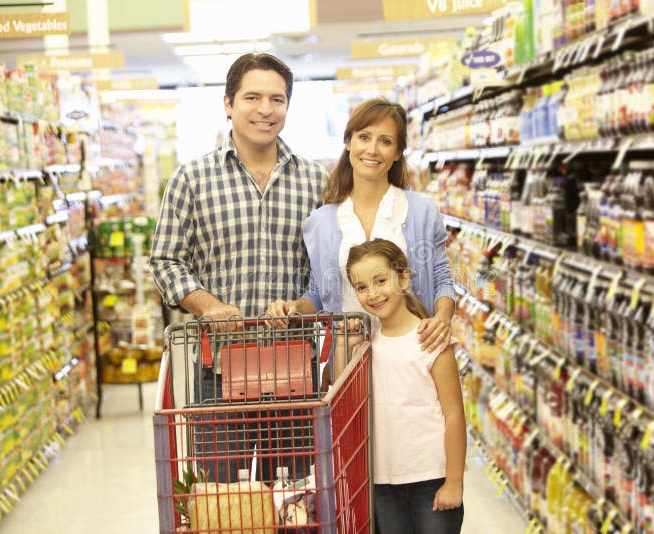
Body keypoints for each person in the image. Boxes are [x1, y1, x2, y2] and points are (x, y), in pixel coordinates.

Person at [150, 52, 326, 483]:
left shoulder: (316, 181)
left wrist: (302, 304)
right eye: (252, 97)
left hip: (295, 369)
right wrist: (209, 306)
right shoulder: (191, 179)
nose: (265, 109)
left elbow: (329, 269)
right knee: (221, 498)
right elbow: (165, 260)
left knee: (294, 497)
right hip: (217, 370)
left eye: (277, 99)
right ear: (228, 103)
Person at [267, 97, 455, 371]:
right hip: (350, 360)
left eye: (386, 141)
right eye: (364, 137)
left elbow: (441, 278)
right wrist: (294, 308)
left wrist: (442, 318)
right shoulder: (320, 223)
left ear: (398, 151)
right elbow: (318, 294)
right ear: (349, 142)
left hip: (414, 352)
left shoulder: (422, 211)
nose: (373, 150)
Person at [345, 238, 465, 533]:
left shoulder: (431, 340)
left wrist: (454, 482)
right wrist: (345, 340)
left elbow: (454, 414)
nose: (372, 293)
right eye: (361, 287)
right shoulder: (366, 345)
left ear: (404, 277)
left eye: (381, 280)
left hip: (432, 479)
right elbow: (346, 398)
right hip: (383, 483)